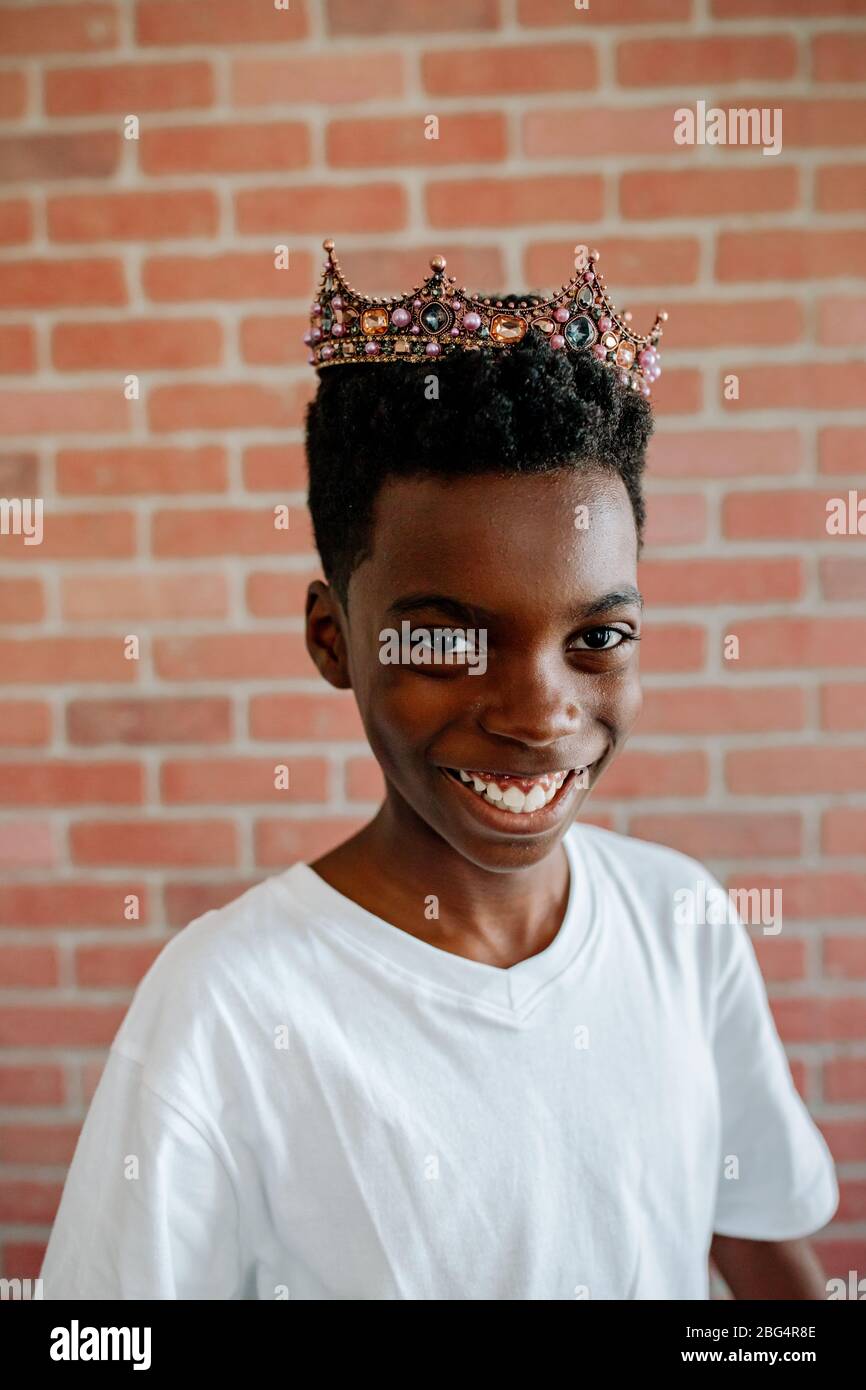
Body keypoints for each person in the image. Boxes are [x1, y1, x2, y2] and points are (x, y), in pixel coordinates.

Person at [39, 245, 838, 1300]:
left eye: (594, 639)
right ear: (333, 639)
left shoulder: (677, 920)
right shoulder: (225, 1005)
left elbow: (756, 1260)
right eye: (445, 639)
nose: (537, 711)